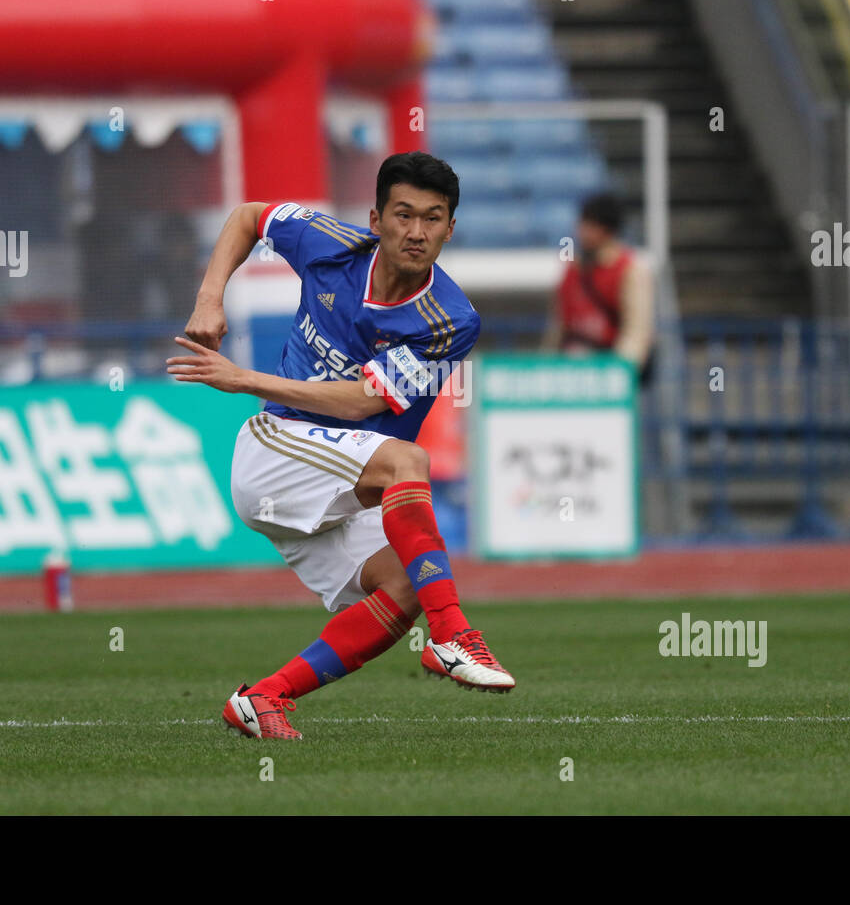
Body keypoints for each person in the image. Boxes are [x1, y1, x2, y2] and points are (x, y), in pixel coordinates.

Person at [167, 151, 514, 741]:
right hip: (275, 448)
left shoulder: (449, 320)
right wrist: (209, 298)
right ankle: (453, 635)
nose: (417, 231)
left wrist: (243, 377)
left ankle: (262, 699)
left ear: (450, 230)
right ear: (376, 218)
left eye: (434, 219)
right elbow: (250, 216)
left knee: (407, 587)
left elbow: (360, 403)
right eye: (404, 215)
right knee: (410, 461)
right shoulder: (328, 243)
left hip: (342, 485)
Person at [542, 193, 656, 387]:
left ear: (606, 230)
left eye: (588, 226)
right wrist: (546, 369)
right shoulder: (573, 270)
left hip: (608, 372)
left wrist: (617, 375)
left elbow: (637, 332)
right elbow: (559, 326)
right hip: (570, 374)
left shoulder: (629, 270)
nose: (581, 232)